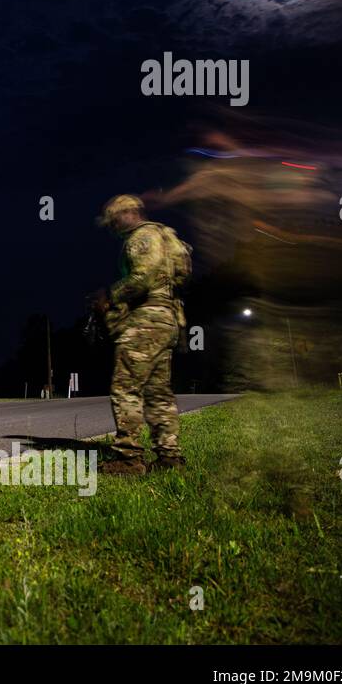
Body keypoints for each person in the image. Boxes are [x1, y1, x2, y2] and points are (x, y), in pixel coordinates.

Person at [93, 195, 191, 475]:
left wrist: (109, 296)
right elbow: (183, 275)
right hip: (168, 318)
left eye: (113, 221)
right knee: (159, 392)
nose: (112, 228)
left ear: (126, 214)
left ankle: (128, 458)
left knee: (126, 387)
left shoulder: (141, 236)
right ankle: (169, 457)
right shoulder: (166, 235)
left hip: (145, 320)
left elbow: (141, 278)